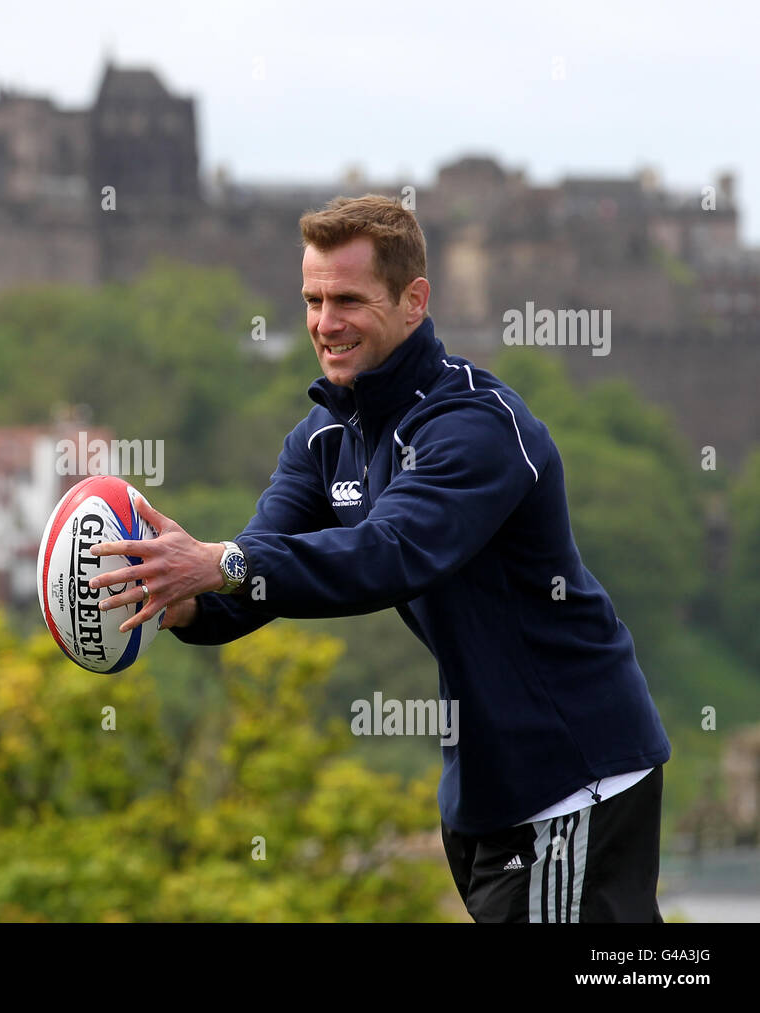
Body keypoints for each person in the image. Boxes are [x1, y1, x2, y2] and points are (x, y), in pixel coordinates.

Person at [86, 193, 671, 923]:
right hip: (484, 792)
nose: (325, 323)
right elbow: (259, 564)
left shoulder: (475, 427)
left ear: (413, 300)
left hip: (574, 768)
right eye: (313, 299)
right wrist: (184, 601)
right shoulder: (324, 436)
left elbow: (391, 551)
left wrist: (221, 564)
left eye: (349, 300)